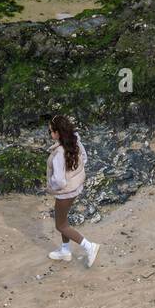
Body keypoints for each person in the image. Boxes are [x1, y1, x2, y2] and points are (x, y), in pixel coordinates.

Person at [47, 114, 100, 267]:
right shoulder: (75, 141)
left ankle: (89, 247)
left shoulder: (58, 154)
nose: (50, 134)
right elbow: (84, 158)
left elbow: (59, 181)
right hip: (76, 188)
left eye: (51, 131)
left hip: (65, 192)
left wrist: (51, 185)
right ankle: (65, 251)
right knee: (64, 220)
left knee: (60, 225)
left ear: (58, 133)